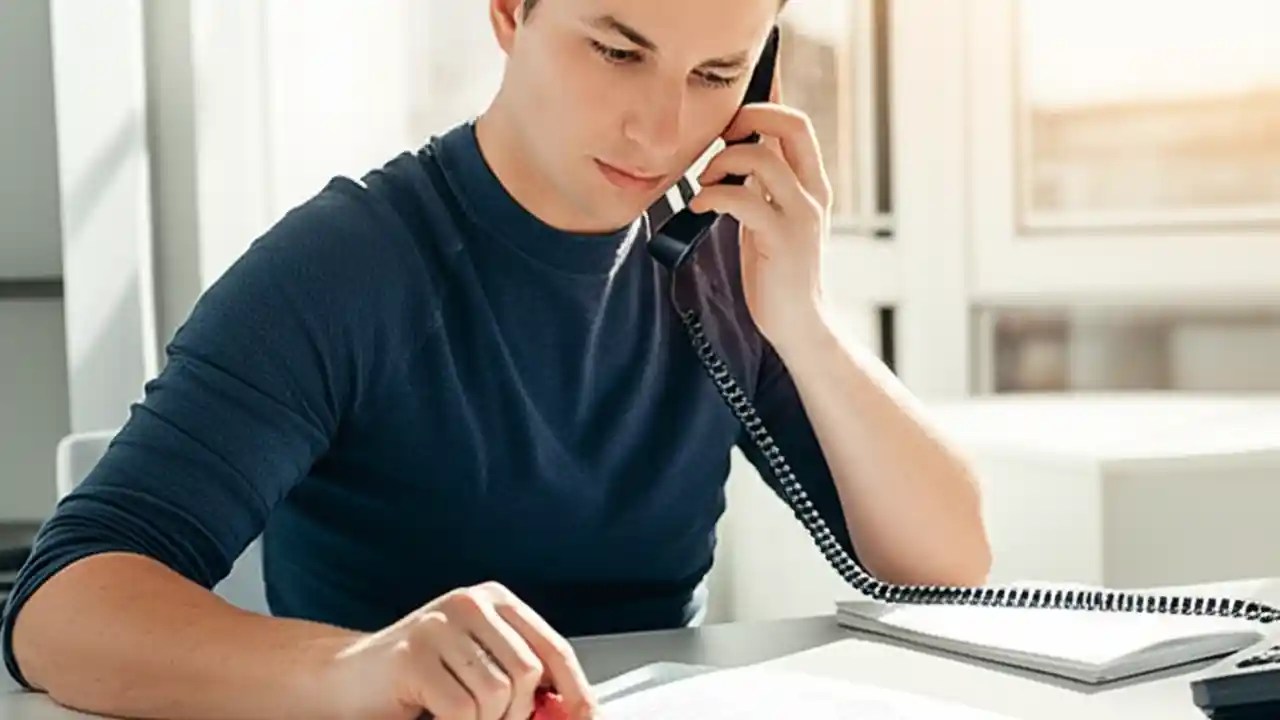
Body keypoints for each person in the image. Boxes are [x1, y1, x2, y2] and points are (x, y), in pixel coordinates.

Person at [1, 0, 992, 718]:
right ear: (510, 11)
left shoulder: (721, 269)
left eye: (714, 76)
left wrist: (803, 323)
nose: (660, 128)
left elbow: (947, 565)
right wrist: (364, 667)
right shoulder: (343, 265)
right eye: (615, 49)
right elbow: (57, 612)